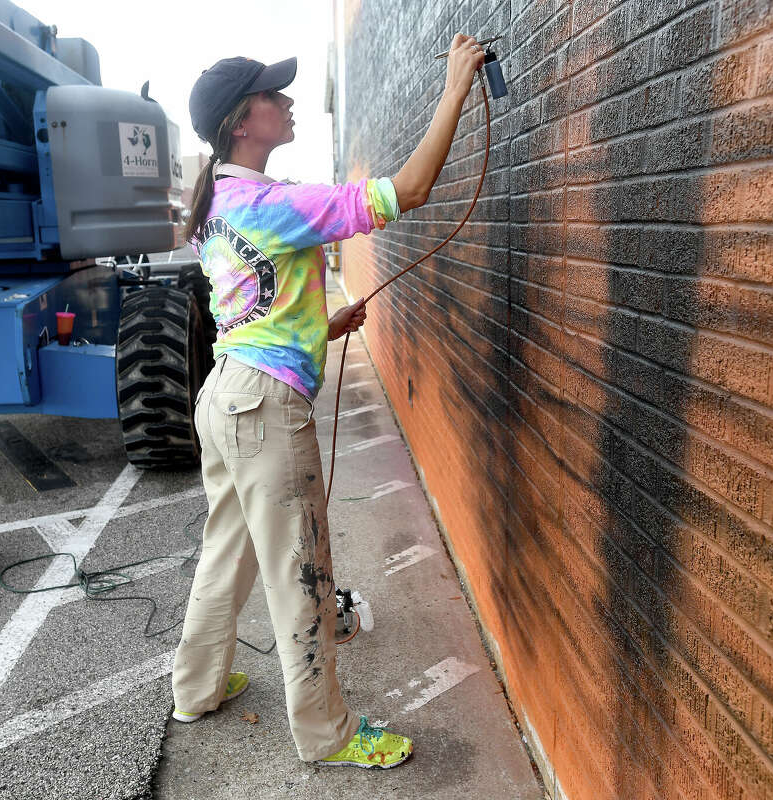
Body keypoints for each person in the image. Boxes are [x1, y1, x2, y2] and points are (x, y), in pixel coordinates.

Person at [171, 35, 487, 770]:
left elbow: (251, 303)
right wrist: (454, 88)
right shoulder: (272, 203)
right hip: (264, 411)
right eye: (272, 96)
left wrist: (322, 322)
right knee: (301, 571)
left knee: (229, 553)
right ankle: (326, 734)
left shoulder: (217, 203)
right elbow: (406, 191)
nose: (286, 103)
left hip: (226, 398)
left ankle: (195, 689)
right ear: (241, 121)